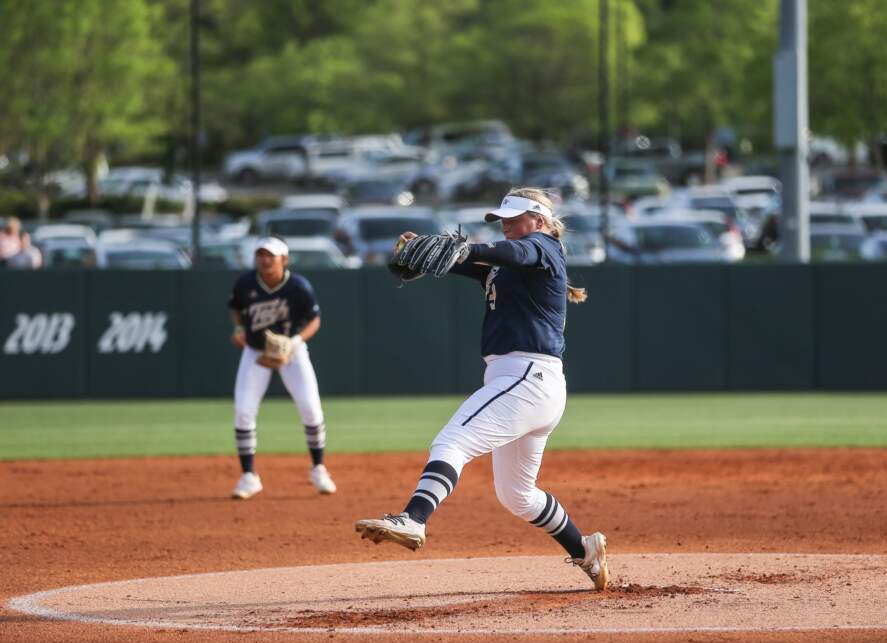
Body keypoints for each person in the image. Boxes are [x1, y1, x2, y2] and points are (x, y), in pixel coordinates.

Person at [355, 188, 610, 591]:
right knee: (517, 495)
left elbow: (509, 254)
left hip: (526, 377)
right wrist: (424, 253)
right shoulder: (508, 259)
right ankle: (585, 549)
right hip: (527, 383)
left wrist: (469, 248)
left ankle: (414, 519)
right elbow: (471, 262)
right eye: (502, 218)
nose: (506, 224)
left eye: (514, 217)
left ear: (539, 220)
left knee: (451, 442)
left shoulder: (542, 246)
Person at [227, 236, 336, 499]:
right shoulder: (246, 283)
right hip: (255, 351)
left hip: (293, 351)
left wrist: (294, 341)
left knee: (311, 409)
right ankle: (248, 476)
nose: (264, 259)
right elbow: (235, 307)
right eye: (260, 254)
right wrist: (239, 327)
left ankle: (318, 469)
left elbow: (314, 319)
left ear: (283, 260)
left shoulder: (298, 286)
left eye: (270, 255)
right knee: (243, 412)